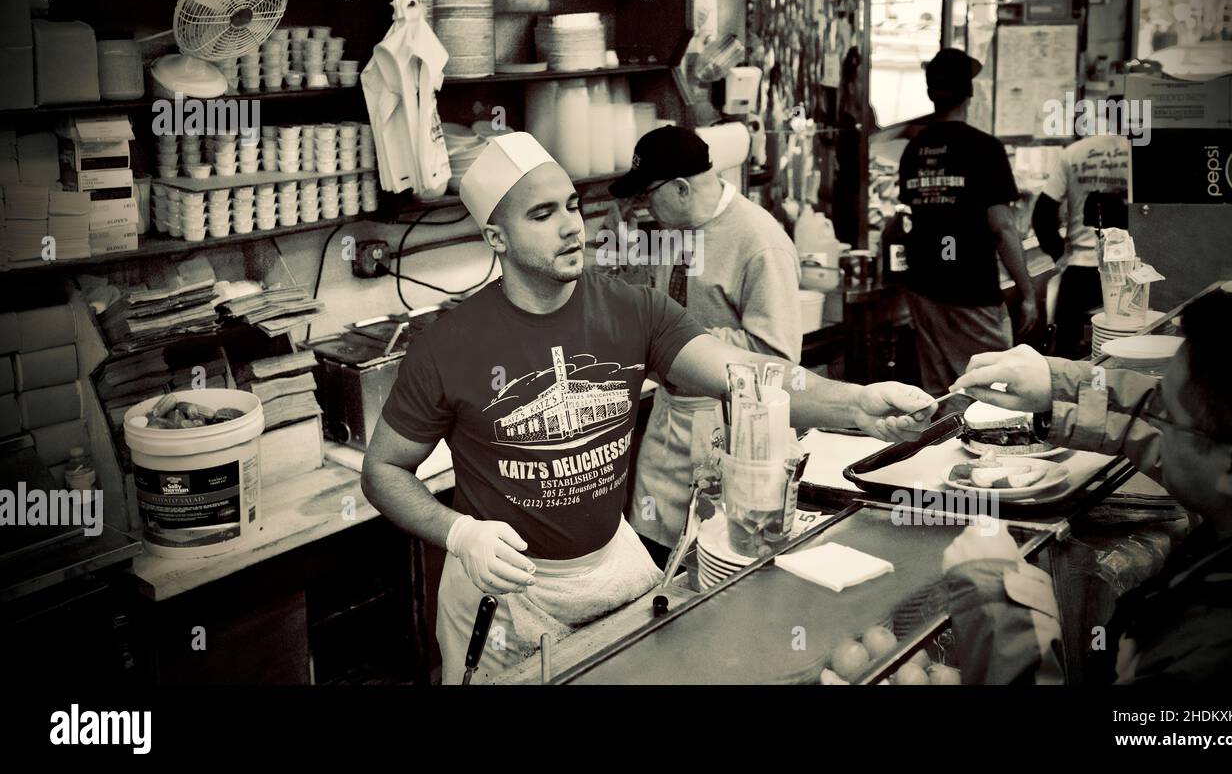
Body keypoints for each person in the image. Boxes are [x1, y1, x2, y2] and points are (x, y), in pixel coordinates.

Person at [362, 132, 936, 683]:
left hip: (612, 570)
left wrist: (858, 406)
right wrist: (461, 534)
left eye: (570, 206)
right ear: (497, 239)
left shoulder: (633, 311)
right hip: (506, 594)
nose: (570, 227)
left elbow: (748, 375)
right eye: (542, 215)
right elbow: (382, 470)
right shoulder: (450, 344)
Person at [942, 289, 1232, 684]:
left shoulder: (1228, 644)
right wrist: (1058, 385)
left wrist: (1000, 604)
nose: (1152, 418)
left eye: (1165, 413)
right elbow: (1163, 418)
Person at [607, 126, 802, 562]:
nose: (643, 207)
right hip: (667, 421)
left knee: (713, 564)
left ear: (679, 189)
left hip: (727, 425)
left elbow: (779, 360)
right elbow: (657, 301)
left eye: (647, 196)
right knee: (652, 560)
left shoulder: (759, 242)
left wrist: (676, 342)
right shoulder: (671, 229)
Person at [897, 48, 1038, 395]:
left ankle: (940, 446)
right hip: (970, 287)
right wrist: (1028, 291)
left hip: (923, 287)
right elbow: (1002, 227)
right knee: (995, 390)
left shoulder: (913, 150)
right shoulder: (984, 148)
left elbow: (911, 216)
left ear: (931, 93)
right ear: (970, 92)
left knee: (940, 389)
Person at [1031, 128, 1130, 359]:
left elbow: (1042, 215)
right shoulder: (1143, 151)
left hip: (1079, 270)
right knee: (1124, 353)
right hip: (1128, 271)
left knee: (1069, 357)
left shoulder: (1075, 152)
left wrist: (1060, 255)